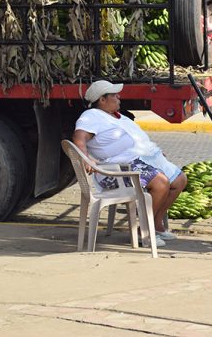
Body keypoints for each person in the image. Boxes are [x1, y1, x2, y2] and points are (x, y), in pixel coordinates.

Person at [72, 80, 187, 247]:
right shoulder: (91, 116)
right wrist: (85, 158)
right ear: (102, 100)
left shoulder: (117, 116)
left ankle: (156, 223)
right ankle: (144, 231)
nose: (119, 97)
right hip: (117, 170)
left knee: (179, 180)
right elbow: (79, 138)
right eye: (114, 95)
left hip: (139, 161)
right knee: (161, 183)